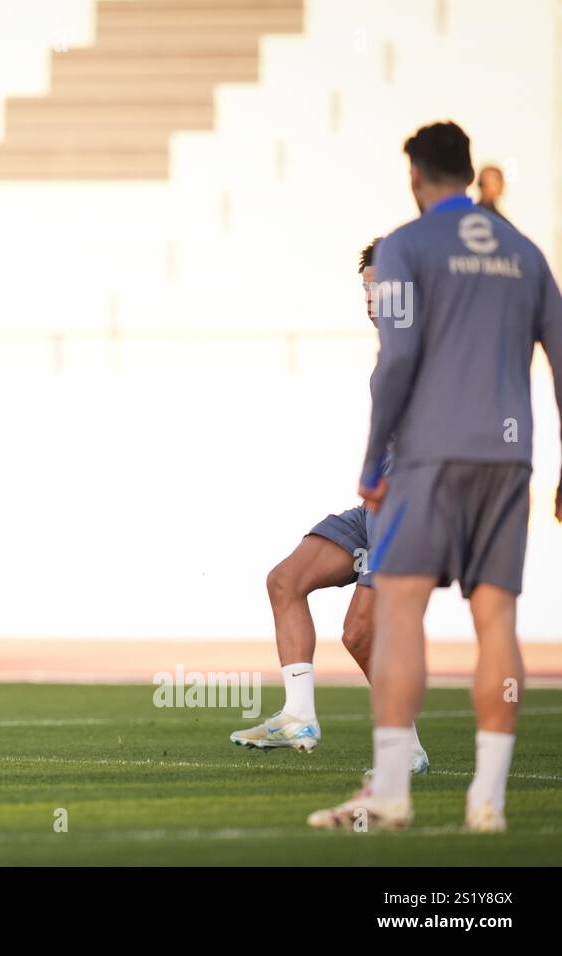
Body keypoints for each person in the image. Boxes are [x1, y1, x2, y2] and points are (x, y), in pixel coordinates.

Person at [309, 121, 562, 832]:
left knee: (399, 612)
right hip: (509, 458)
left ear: (417, 178)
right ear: (469, 170)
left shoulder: (406, 247)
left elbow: (396, 361)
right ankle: (488, 800)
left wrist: (371, 463)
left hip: (428, 455)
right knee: (497, 622)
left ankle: (391, 790)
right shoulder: (526, 252)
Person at [231, 239, 428, 775]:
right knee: (284, 581)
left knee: (360, 633)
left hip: (410, 508)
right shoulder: (393, 346)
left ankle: (406, 746)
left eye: (379, 286)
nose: (370, 298)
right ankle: (298, 716)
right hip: (376, 506)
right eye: (364, 288)